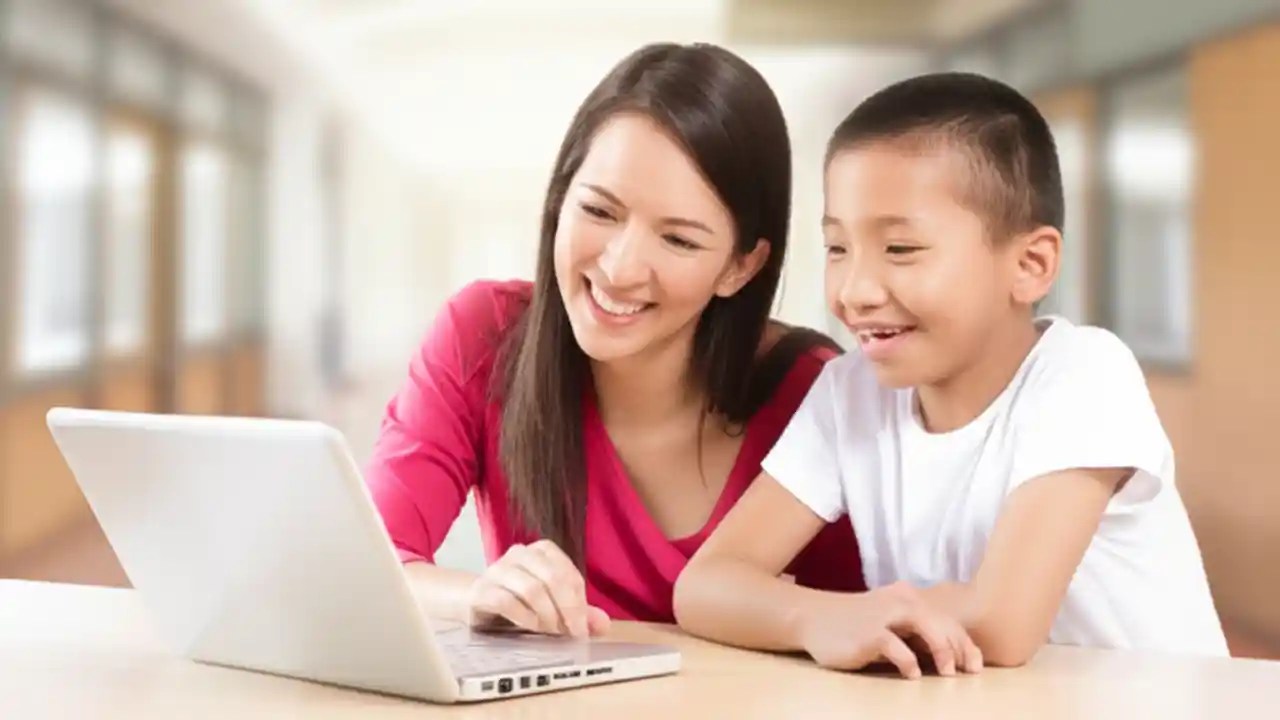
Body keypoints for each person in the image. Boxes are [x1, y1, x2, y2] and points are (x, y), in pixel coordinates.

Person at [673, 72, 1227, 677]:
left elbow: (1003, 624)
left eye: (901, 249)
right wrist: (818, 618)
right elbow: (704, 587)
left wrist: (839, 611)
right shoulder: (848, 392)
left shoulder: (1084, 373)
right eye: (837, 248)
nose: (854, 290)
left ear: (1030, 265)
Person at [364, 42, 868, 640]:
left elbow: (874, 623)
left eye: (678, 240)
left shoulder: (815, 395)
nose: (621, 268)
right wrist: (478, 595)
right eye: (599, 211)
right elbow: (364, 564)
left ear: (741, 266)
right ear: (560, 197)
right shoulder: (484, 335)